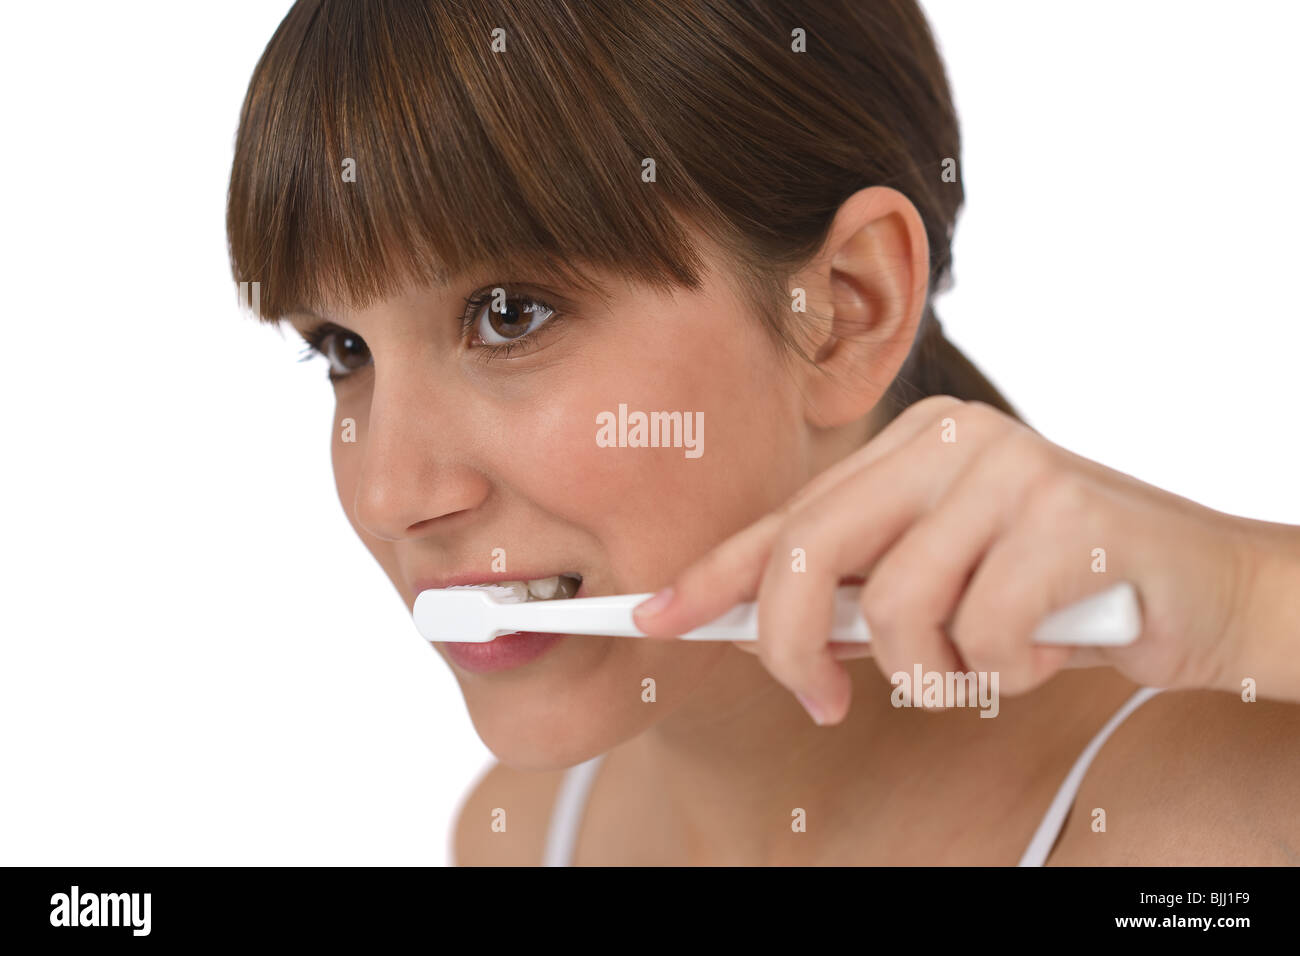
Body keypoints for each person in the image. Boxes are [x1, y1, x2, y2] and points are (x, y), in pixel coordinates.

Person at [226, 0, 1300, 864]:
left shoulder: (1210, 823)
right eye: (342, 350)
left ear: (844, 307)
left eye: (511, 313)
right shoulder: (516, 829)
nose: (388, 491)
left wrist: (1255, 595)